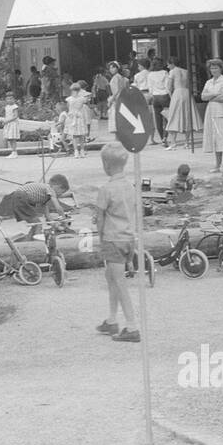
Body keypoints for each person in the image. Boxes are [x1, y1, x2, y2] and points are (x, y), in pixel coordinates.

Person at [93, 143, 140, 344]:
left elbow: (100, 217)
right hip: (129, 238)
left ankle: (132, 326)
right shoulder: (130, 187)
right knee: (111, 278)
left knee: (119, 283)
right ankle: (112, 320)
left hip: (112, 239)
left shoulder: (106, 189)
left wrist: (100, 236)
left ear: (106, 165)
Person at [200, 58, 223, 171]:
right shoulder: (209, 82)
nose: (213, 70)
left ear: (221, 68)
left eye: (216, 67)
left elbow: (222, 98)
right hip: (211, 112)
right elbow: (202, 97)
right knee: (215, 138)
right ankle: (217, 165)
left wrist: (210, 96)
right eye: (212, 68)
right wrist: (215, 93)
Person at [0, 174, 71, 229]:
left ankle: (30, 238)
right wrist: (64, 220)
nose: (59, 195)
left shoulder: (44, 197)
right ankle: (35, 240)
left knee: (35, 223)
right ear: (57, 186)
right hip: (22, 197)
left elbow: (47, 214)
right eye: (61, 192)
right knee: (38, 224)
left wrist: (53, 224)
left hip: (19, 197)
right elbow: (59, 208)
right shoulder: (49, 189)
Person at [164, 56, 200, 150]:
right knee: (188, 116)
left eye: (168, 64)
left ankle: (173, 143)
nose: (167, 66)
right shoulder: (186, 71)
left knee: (173, 117)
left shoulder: (173, 71)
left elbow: (168, 87)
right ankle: (187, 143)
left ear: (172, 63)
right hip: (187, 93)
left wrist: (171, 96)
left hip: (177, 93)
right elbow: (189, 84)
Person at [146, 55, 171, 143]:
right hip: (164, 96)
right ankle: (165, 136)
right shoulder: (165, 73)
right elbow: (167, 86)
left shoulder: (150, 74)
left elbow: (150, 88)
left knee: (158, 118)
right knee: (168, 117)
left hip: (155, 97)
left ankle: (161, 137)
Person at [63, 82, 91, 155]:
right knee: (81, 135)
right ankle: (82, 150)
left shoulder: (69, 99)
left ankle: (76, 151)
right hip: (79, 116)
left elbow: (68, 108)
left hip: (72, 117)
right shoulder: (82, 99)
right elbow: (86, 103)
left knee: (74, 135)